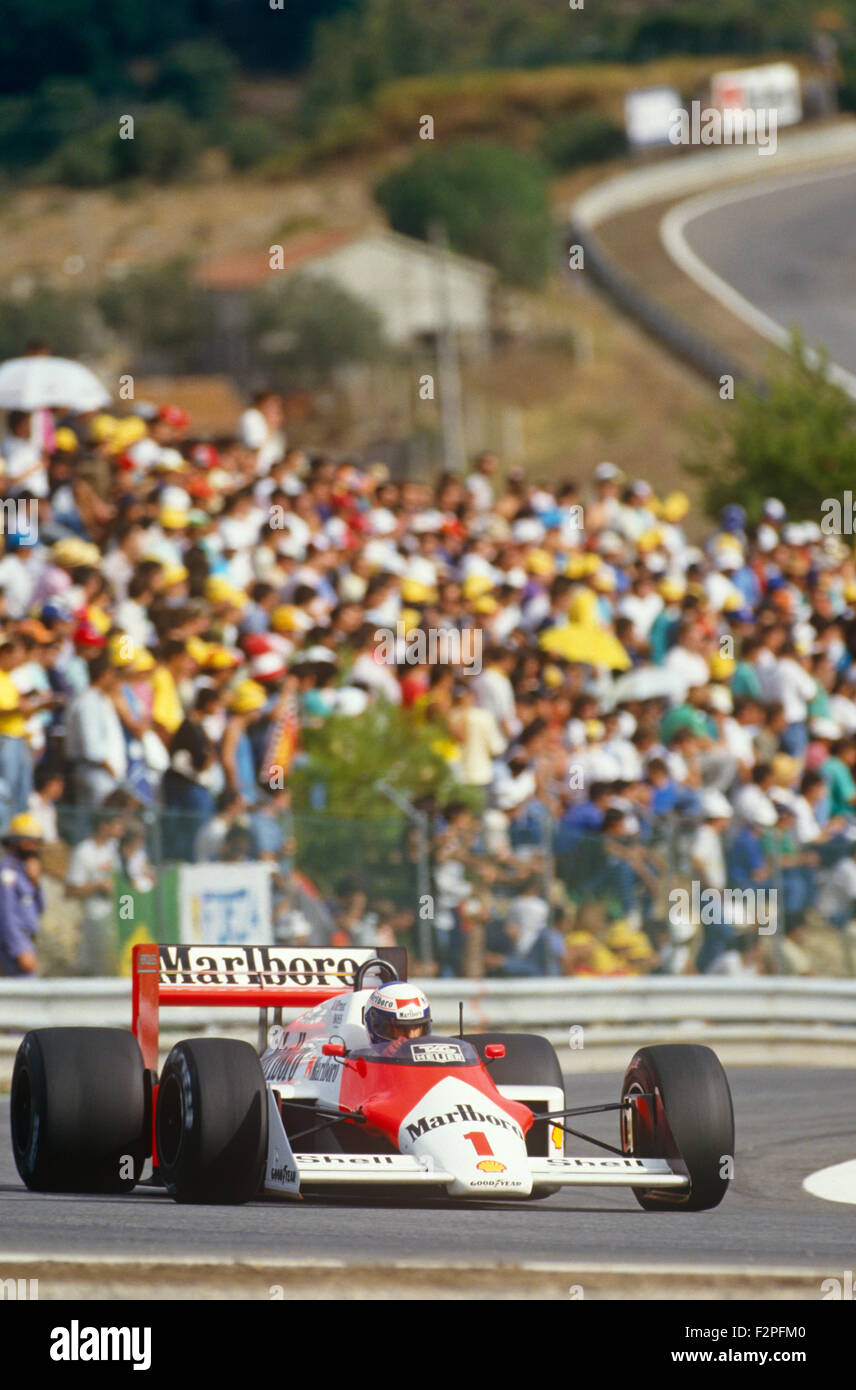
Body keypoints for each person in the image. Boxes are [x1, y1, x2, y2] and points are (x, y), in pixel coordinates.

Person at [0, 812, 45, 976]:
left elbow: (40, 908)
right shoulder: (7, 873)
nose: (34, 849)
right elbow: (6, 915)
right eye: (30, 843)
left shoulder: (28, 872)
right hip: (12, 948)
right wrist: (20, 950)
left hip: (27, 941)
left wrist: (35, 882)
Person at [364, 982, 432, 1042]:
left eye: (416, 1027)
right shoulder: (359, 1055)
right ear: (376, 1026)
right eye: (400, 1029)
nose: (411, 1037)